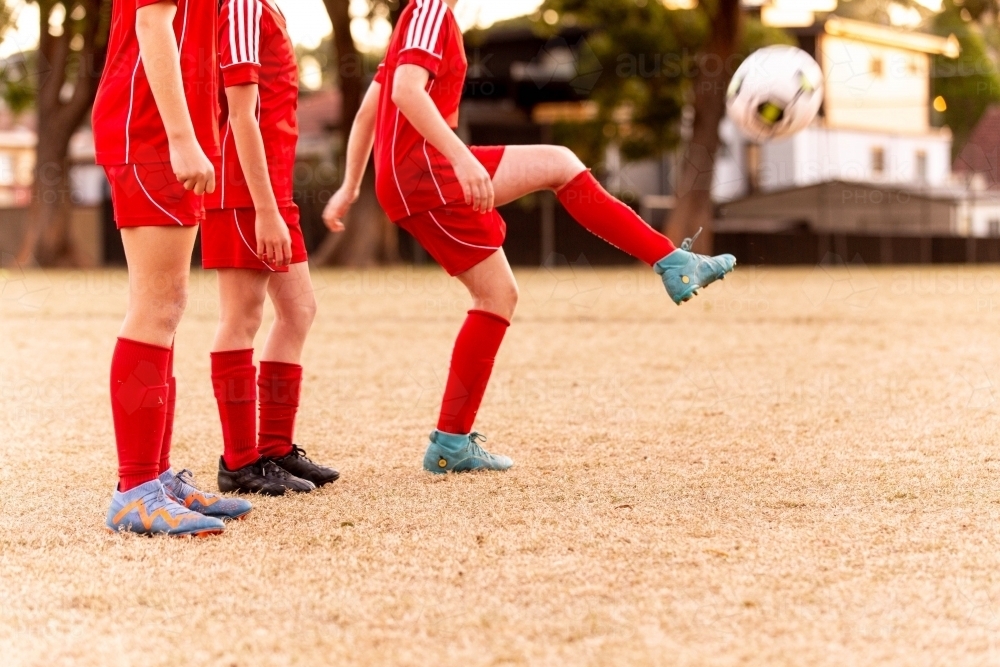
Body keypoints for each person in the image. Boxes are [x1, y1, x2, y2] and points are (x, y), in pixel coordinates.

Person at [323, 0, 737, 474]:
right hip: (427, 173)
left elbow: (365, 114)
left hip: (414, 175)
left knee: (511, 267)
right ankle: (451, 442)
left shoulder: (417, 16)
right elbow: (405, 91)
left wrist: (351, 187)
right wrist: (460, 159)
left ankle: (451, 443)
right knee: (507, 271)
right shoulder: (432, 10)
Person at [94, 0, 252, 536]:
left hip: (163, 135)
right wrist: (182, 138)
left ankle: (154, 479)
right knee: (156, 306)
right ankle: (135, 489)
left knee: (169, 309)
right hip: (151, 135)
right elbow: (151, 23)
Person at [203, 0, 339, 495]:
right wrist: (264, 209)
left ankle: (275, 447)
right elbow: (240, 114)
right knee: (241, 316)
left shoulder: (265, 7)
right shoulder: (239, 6)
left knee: (298, 309)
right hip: (243, 192)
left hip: (271, 192)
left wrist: (275, 203)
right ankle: (239, 462)